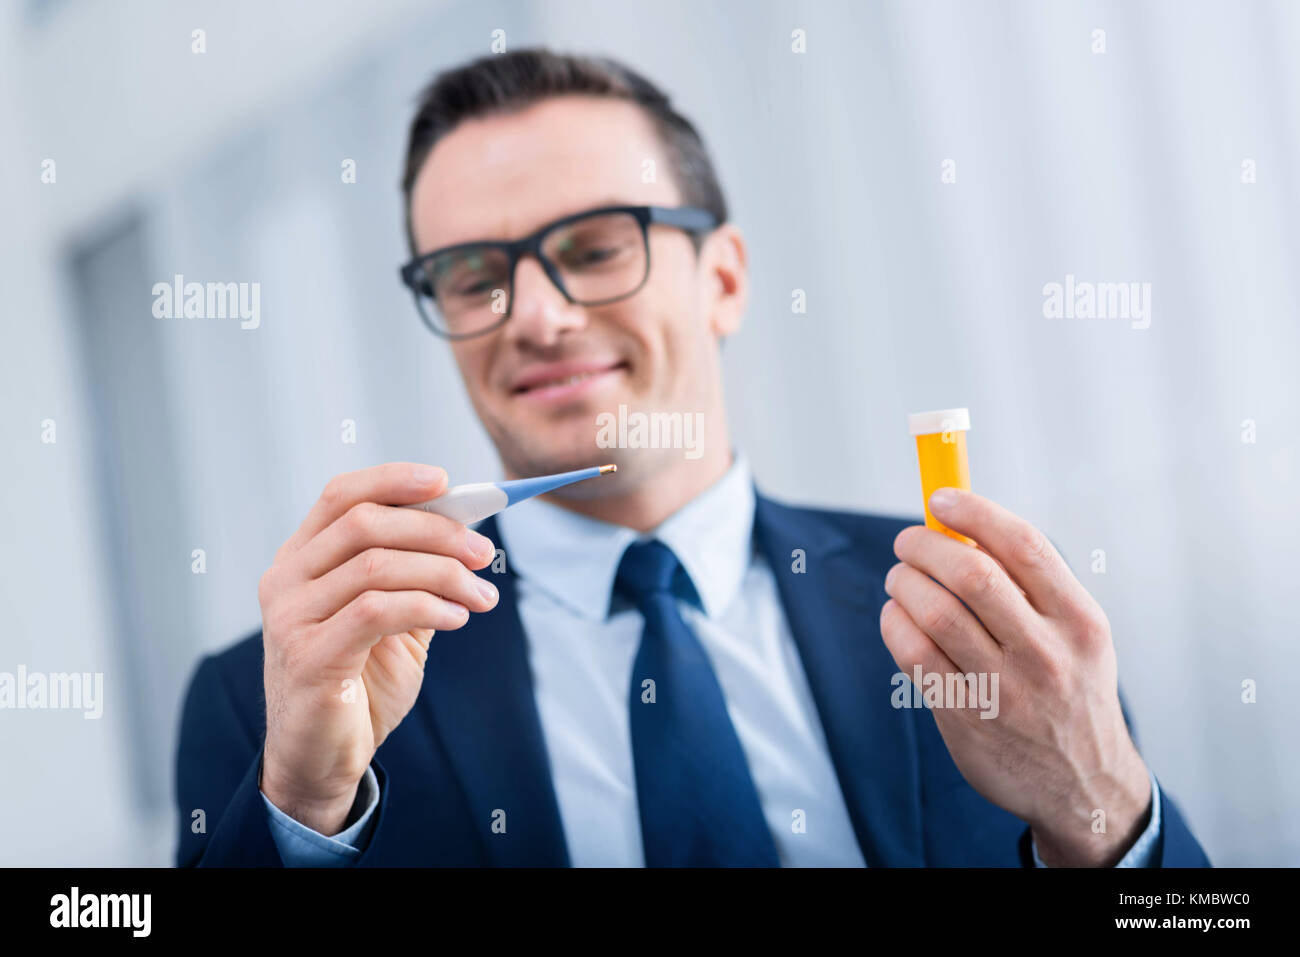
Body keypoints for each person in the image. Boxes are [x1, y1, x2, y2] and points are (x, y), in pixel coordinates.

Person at [175, 48, 1209, 867]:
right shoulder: (285, 692)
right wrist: (304, 810)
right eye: (471, 273)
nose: (533, 317)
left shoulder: (992, 619)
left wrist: (1103, 809)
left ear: (723, 279)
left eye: (592, 248)